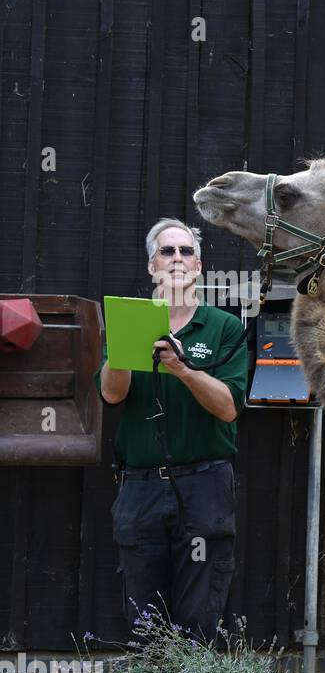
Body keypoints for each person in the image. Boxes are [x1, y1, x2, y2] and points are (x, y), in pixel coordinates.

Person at [98, 218, 249, 641]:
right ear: (152, 267)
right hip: (141, 487)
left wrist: (182, 369)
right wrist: (125, 347)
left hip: (204, 486)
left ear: (199, 267)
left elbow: (228, 408)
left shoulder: (224, 327)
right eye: (167, 251)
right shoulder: (129, 319)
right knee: (144, 616)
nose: (177, 259)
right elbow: (111, 394)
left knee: (200, 613)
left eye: (186, 252)